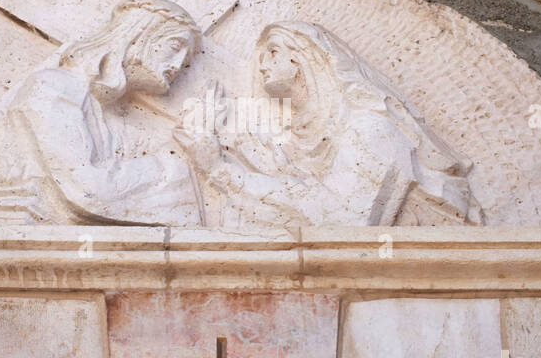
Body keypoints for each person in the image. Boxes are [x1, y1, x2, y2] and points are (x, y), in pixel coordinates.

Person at [173, 21, 483, 228]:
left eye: (273, 52)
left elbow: (341, 218)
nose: (262, 64)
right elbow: (292, 183)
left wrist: (218, 170)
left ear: (303, 59)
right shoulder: (304, 139)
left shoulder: (370, 127)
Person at [0, 0, 204, 225]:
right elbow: (90, 191)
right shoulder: (53, 86)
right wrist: (177, 158)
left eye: (185, 61)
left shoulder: (107, 113)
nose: (177, 65)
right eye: (175, 46)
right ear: (136, 37)